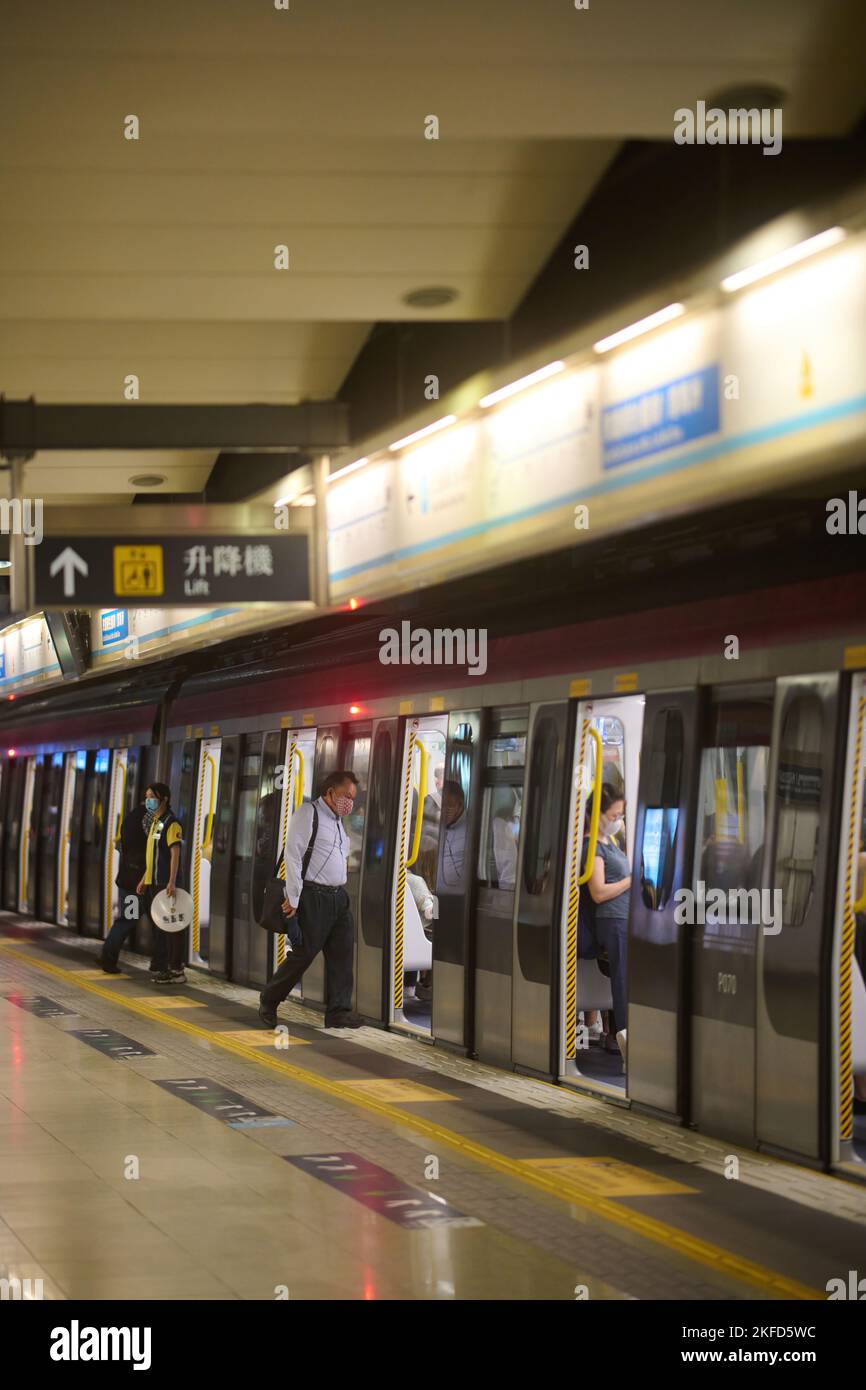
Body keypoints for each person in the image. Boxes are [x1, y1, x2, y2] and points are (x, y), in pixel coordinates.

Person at [258, 770, 362, 1030]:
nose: (350, 802)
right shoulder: (308, 814)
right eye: (346, 796)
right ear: (330, 792)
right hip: (313, 897)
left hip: (339, 898)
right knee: (304, 954)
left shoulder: (338, 820)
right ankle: (269, 999)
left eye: (353, 798)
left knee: (342, 954)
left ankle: (339, 1011)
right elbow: (293, 856)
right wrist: (292, 899)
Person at [586, 783, 631, 1066]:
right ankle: (628, 1039)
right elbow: (599, 892)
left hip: (623, 918)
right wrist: (629, 882)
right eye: (614, 816)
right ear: (599, 814)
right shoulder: (594, 847)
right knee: (624, 981)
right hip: (612, 920)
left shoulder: (609, 842)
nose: (618, 821)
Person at [98, 798, 149, 974]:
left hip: (128, 879)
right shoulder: (149, 821)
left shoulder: (130, 818)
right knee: (128, 919)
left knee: (128, 918)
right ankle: (108, 958)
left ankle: (107, 956)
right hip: (138, 883)